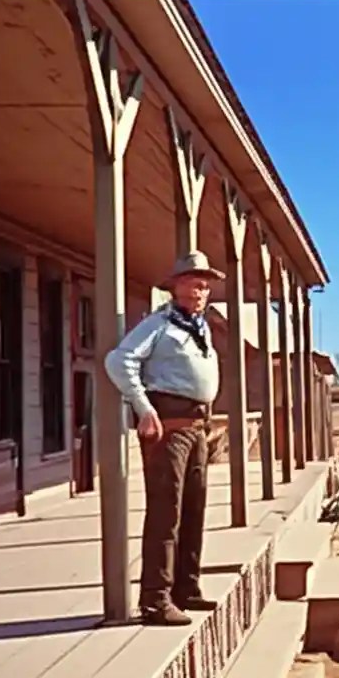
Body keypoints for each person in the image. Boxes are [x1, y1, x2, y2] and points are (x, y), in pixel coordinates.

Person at [104, 251, 224, 626]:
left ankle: (185, 588)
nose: (200, 290)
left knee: (193, 508)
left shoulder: (199, 327)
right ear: (175, 286)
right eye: (193, 282)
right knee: (165, 512)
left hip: (196, 425)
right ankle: (155, 599)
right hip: (168, 426)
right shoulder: (158, 324)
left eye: (205, 285)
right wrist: (143, 408)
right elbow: (119, 360)